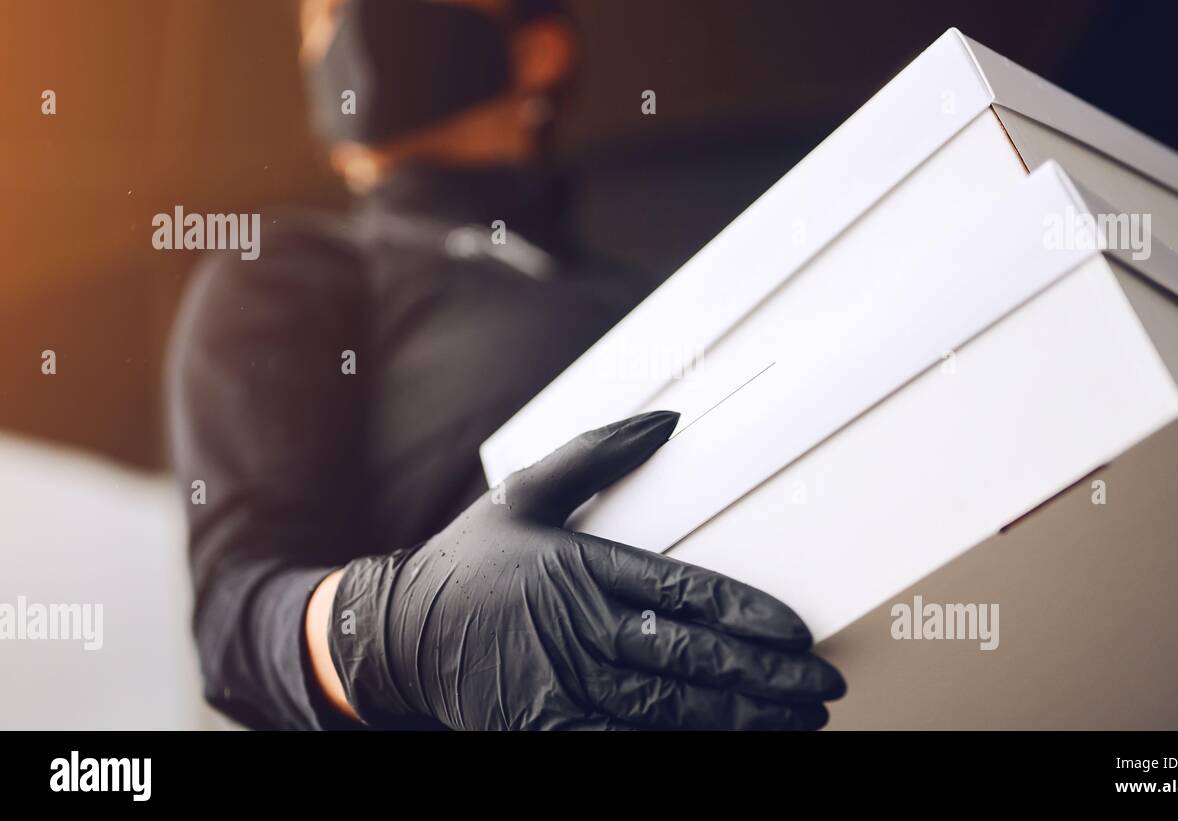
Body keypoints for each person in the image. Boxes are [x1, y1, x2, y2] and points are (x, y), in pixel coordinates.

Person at [167, 0, 845, 730]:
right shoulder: (292, 271)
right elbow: (236, 622)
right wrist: (403, 629)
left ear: (538, 49)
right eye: (322, 14)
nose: (348, 24)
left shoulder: (654, 292)